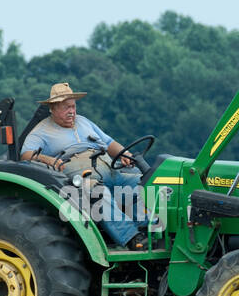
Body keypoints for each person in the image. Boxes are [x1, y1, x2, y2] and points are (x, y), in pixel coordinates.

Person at [21, 82, 149, 249]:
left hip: (112, 171)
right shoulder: (41, 131)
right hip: (81, 180)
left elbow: (109, 143)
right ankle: (133, 239)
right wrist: (48, 160)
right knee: (98, 192)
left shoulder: (84, 122)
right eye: (66, 108)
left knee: (144, 183)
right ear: (52, 108)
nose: (72, 111)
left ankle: (151, 230)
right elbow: (26, 155)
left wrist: (126, 154)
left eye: (73, 107)